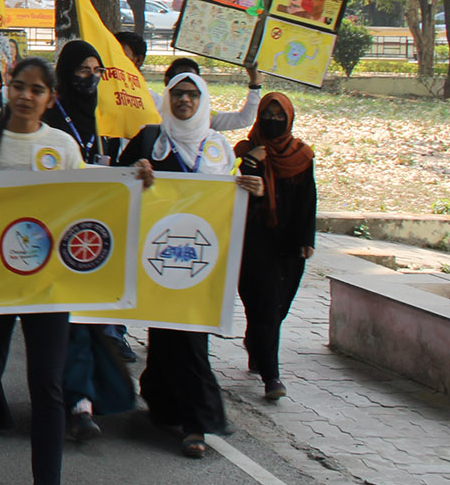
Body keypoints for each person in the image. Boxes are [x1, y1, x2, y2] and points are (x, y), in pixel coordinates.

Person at [0, 56, 148, 485]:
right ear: (7, 89)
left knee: (47, 384)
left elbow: (89, 198)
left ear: (49, 98)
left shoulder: (63, 147)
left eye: (36, 90)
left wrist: (135, 180)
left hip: (48, 285)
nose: (25, 96)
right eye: (18, 86)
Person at [124, 72, 251, 459]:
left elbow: (227, 197)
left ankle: (198, 423)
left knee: (193, 337)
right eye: (177, 94)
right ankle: (163, 405)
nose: (184, 101)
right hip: (157, 256)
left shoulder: (216, 146)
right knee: (163, 333)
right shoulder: (151, 140)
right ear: (167, 98)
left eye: (192, 95)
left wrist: (250, 189)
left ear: (203, 100)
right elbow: (115, 181)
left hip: (200, 261)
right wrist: (137, 174)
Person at [236, 92, 316, 402]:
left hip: (289, 242)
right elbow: (239, 192)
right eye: (267, 115)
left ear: (289, 119)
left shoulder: (301, 156)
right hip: (253, 241)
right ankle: (272, 376)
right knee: (264, 305)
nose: (273, 121)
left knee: (279, 307)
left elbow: (308, 198)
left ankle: (256, 344)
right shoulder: (244, 152)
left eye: (278, 116)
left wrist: (306, 239)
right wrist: (253, 161)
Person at [46, 40, 120, 165]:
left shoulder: (103, 114)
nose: (92, 77)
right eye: (84, 70)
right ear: (68, 72)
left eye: (97, 70)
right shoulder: (48, 113)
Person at [157, 57, 264, 131]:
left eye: (192, 93)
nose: (185, 99)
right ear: (167, 82)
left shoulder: (205, 118)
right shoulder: (154, 114)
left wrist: (255, 85)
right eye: (179, 92)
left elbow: (243, 120)